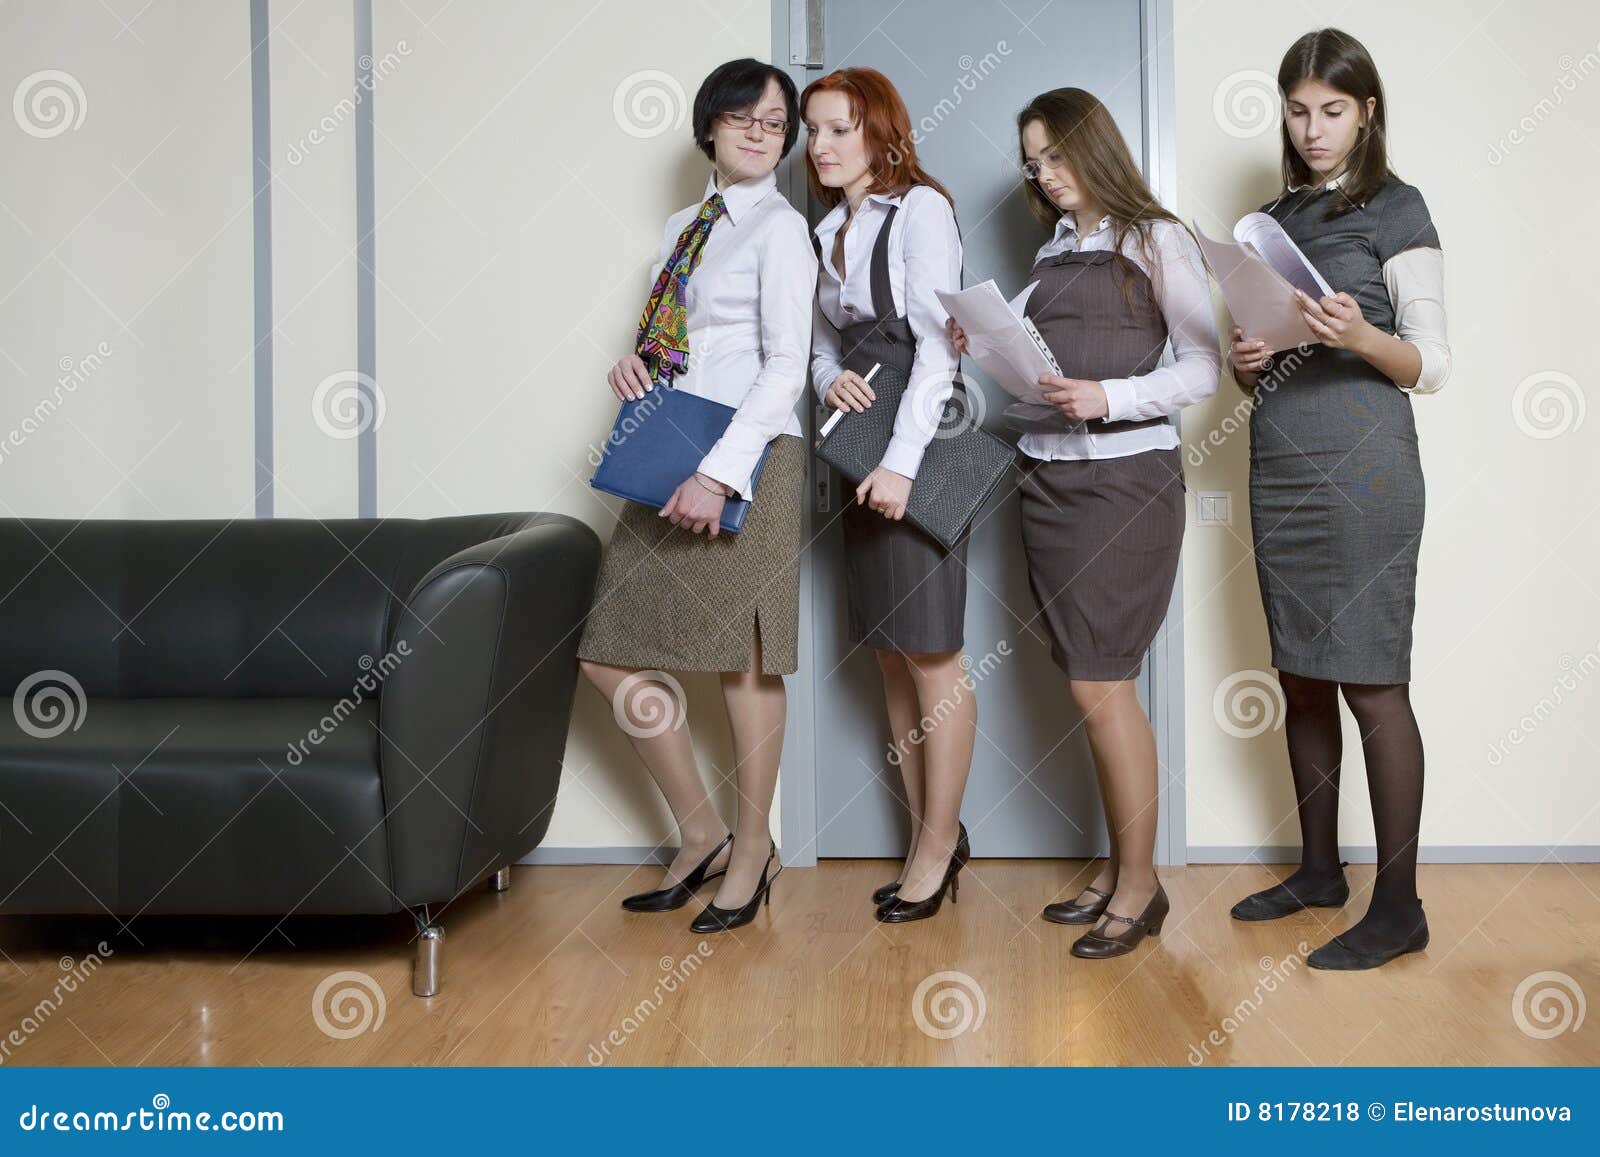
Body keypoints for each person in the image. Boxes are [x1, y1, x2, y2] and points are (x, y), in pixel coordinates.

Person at [950, 87, 1219, 958]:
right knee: (1091, 683)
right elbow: (1035, 369)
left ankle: (1141, 888)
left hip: (1126, 486)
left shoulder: (1157, 237)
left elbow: (1204, 365)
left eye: (1057, 156)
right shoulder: (1054, 249)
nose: (1046, 176)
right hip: (1049, 483)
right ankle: (1119, 866)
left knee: (1101, 685)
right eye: (1033, 164)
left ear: (1094, 147)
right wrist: (985, 347)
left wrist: (1111, 397)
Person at [576, 58, 817, 934]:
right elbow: (683, 345)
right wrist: (637, 368)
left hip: (746, 456)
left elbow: (786, 366)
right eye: (745, 116)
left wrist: (720, 472)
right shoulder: (685, 225)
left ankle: (753, 849)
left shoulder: (784, 232)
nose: (763, 131)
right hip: (668, 440)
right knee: (605, 650)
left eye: (777, 121)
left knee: (741, 657)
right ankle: (703, 831)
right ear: (710, 124)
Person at [1227, 28, 1450, 970]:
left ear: (1367, 112)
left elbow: (1431, 364)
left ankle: (1399, 906)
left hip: (1364, 473)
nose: (1312, 128)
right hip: (1281, 466)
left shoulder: (1396, 209)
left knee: (1371, 682)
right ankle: (1321, 870)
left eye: (1332, 109)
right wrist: (1250, 360)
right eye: (1297, 109)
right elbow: (1264, 368)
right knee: (1301, 675)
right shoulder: (1271, 219)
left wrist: (1361, 333)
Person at [802, 67, 975, 923]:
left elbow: (942, 351)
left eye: (838, 129)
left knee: (933, 649)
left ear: (879, 131)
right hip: (857, 449)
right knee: (889, 648)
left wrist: (904, 462)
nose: (821, 147)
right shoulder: (827, 227)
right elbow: (817, 340)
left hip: (917, 445)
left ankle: (939, 848)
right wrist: (830, 377)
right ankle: (927, 832)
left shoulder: (921, 210)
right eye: (813, 131)